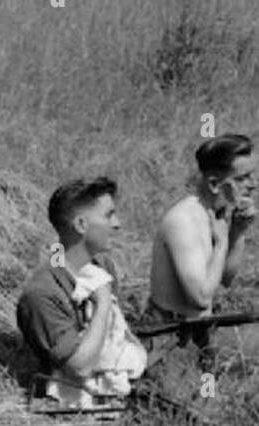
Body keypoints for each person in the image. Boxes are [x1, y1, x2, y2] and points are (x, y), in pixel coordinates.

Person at [16, 177, 144, 395]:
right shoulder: (42, 293)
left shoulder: (103, 266)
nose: (117, 224)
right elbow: (79, 368)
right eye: (108, 215)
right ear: (81, 225)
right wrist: (103, 303)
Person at [149, 134, 255, 322]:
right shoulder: (184, 221)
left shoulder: (215, 214)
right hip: (169, 336)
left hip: (197, 332)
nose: (253, 185)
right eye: (242, 178)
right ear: (214, 184)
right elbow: (200, 298)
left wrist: (238, 232)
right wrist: (222, 243)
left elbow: (224, 279)